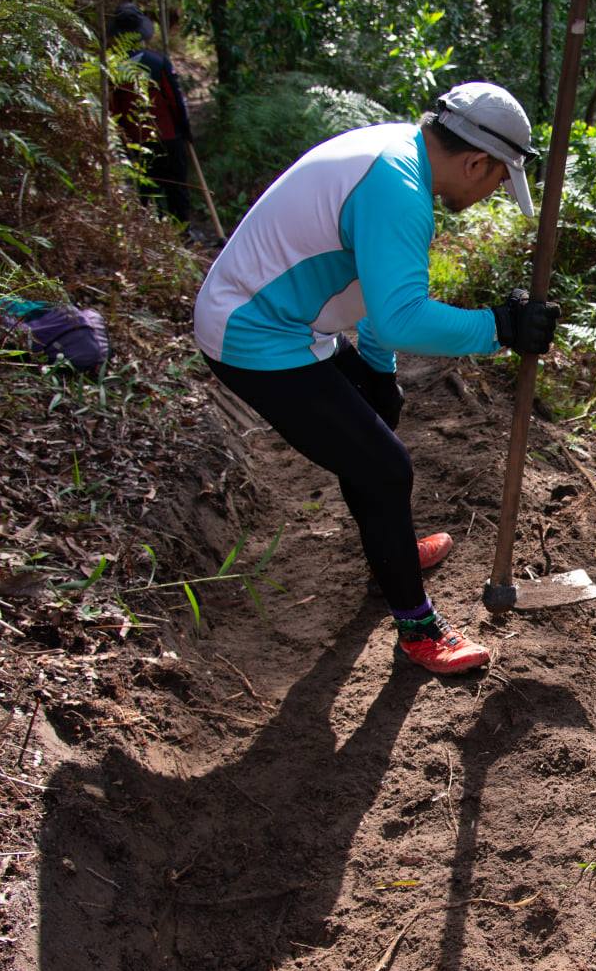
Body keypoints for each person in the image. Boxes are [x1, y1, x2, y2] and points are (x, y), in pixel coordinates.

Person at [192, 82, 559, 675]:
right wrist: (499, 329)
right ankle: (418, 631)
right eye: (497, 181)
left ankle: (392, 556)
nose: (493, 193)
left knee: (376, 423)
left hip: (289, 322)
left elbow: (373, 288)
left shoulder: (397, 155)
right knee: (385, 465)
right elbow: (401, 314)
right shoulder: (398, 188)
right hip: (253, 334)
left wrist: (378, 371)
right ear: (475, 162)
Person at [107, 2, 194, 223]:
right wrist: (184, 129)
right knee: (176, 188)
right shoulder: (157, 63)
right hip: (168, 136)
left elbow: (113, 110)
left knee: (146, 190)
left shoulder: (112, 66)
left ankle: (152, 235)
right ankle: (182, 232)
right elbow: (174, 100)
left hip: (136, 140)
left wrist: (122, 138)